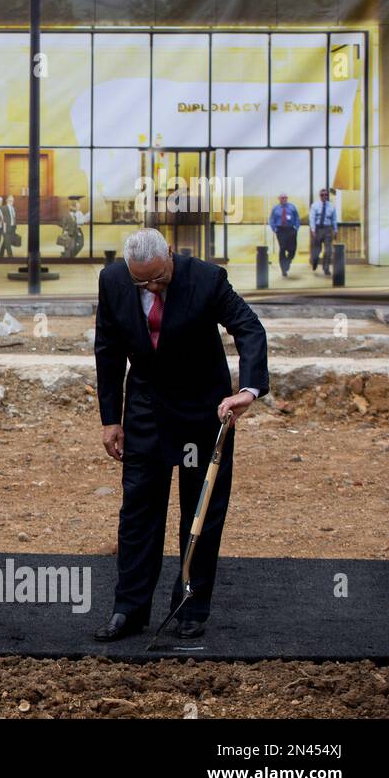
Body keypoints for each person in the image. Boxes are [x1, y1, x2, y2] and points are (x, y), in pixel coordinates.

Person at [93, 228, 268, 642]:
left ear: (169, 255)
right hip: (145, 411)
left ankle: (190, 604)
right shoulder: (113, 280)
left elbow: (249, 328)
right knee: (138, 512)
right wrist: (110, 419)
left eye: (158, 277)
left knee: (200, 511)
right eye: (142, 283)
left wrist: (247, 390)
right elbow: (108, 349)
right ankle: (128, 609)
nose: (152, 287)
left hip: (201, 412)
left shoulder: (207, 279)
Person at [269, 193, 300, 277]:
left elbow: (297, 218)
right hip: (281, 230)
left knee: (292, 250)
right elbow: (271, 220)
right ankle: (283, 269)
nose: (284, 199)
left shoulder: (292, 207)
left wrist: (296, 228)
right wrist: (275, 229)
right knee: (283, 248)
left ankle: (287, 262)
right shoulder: (275, 208)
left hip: (291, 230)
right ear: (279, 199)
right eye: (282, 198)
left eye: (285, 198)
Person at [309, 188, 336, 276]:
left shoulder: (331, 206)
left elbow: (334, 219)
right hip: (318, 229)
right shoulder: (315, 205)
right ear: (319, 196)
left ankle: (326, 268)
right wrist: (313, 230)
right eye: (322, 195)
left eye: (326, 195)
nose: (324, 196)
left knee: (328, 250)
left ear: (327, 196)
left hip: (327, 229)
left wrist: (335, 230)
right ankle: (315, 261)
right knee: (317, 250)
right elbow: (312, 218)